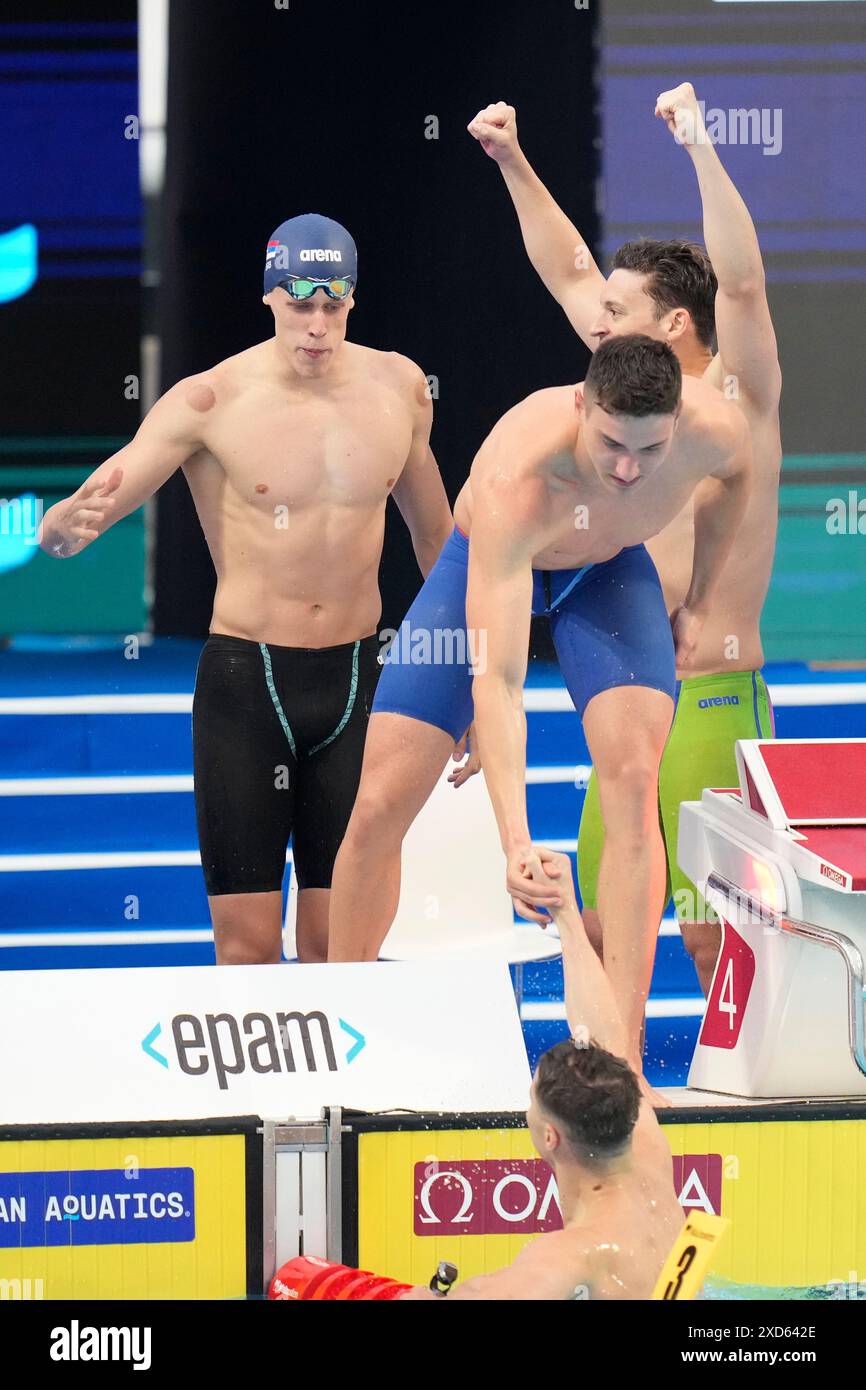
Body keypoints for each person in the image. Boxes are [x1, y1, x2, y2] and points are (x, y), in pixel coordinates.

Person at [328, 333, 751, 1089]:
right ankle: (335, 1038)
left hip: (609, 571)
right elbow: (499, 681)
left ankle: (620, 1056)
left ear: (679, 426)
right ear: (582, 407)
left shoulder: (715, 430)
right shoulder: (517, 479)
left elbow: (736, 483)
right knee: (379, 803)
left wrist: (704, 597)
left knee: (631, 777)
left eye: (648, 451)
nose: (626, 470)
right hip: (487, 563)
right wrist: (515, 844)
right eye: (611, 444)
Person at [38, 213, 453, 965]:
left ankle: (343, 1092)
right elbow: (104, 497)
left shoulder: (400, 387)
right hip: (247, 686)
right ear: (270, 298)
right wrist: (62, 527)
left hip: (358, 680)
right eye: (300, 304)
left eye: (333, 304)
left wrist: (471, 673)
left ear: (353, 299)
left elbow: (438, 543)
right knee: (248, 948)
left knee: (339, 948)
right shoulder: (209, 400)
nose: (317, 325)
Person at [467, 90, 782, 995]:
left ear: (675, 323)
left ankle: (748, 1122)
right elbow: (566, 268)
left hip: (714, 688)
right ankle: (619, 1093)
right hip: (634, 693)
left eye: (616, 309)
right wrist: (514, 162)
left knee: (714, 937)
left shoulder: (735, 396)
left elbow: (745, 284)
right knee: (605, 923)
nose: (594, 318)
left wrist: (699, 144)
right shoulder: (625, 397)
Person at [400, 851, 684, 1300]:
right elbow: (606, 1039)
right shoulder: (648, 1163)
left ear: (550, 1136)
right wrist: (566, 912)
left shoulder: (570, 1255)